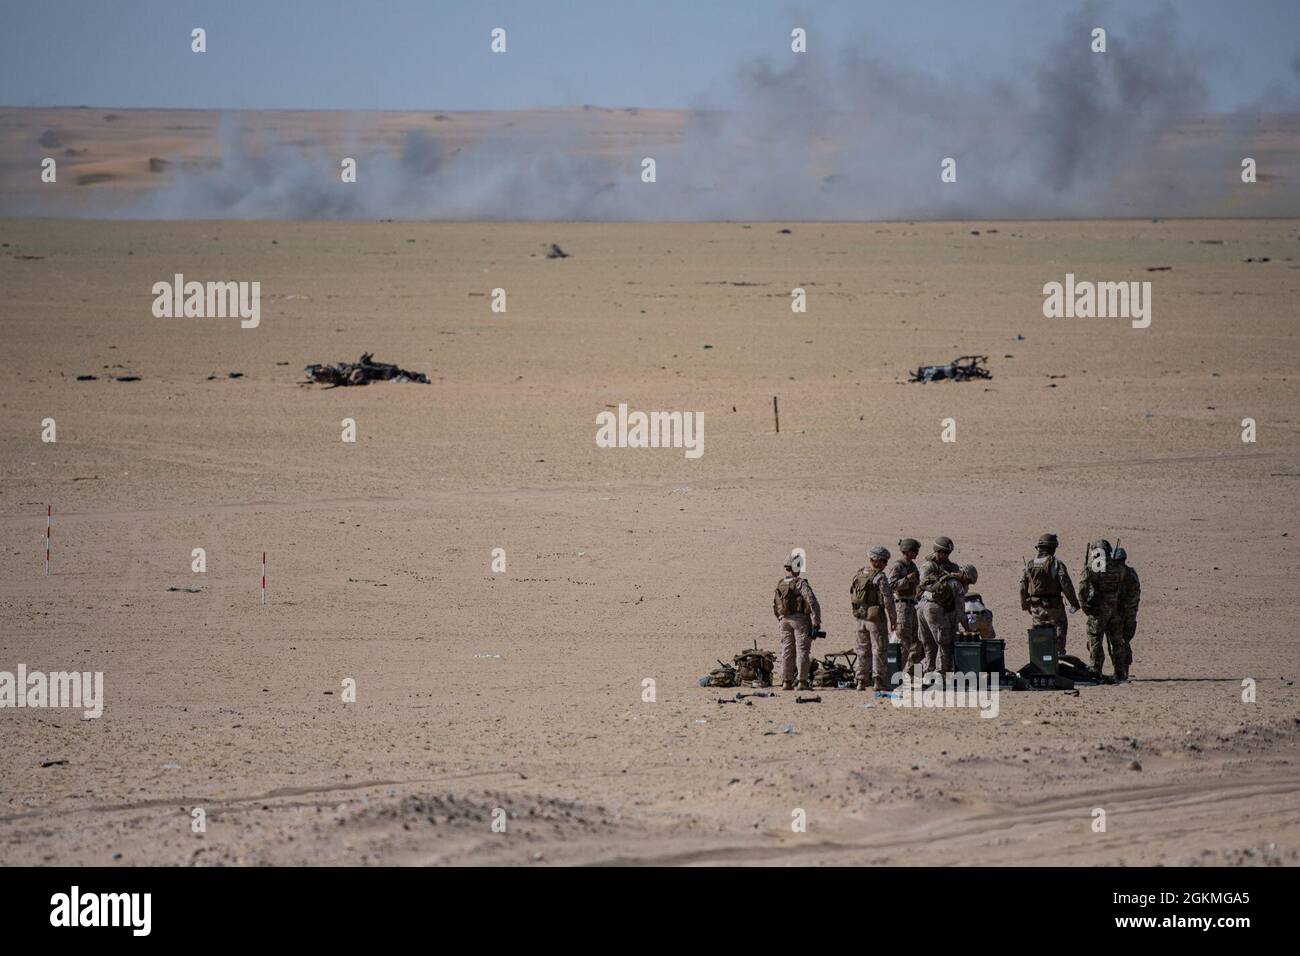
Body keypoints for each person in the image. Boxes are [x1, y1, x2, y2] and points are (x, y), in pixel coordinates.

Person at [1019, 533, 1081, 654]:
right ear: (1052, 548)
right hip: (1054, 607)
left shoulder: (1030, 564)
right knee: (1059, 633)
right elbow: (1066, 585)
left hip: (1036, 608)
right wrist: (1074, 603)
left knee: (1038, 636)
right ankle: (1057, 661)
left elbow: (1022, 588)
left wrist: (1025, 605)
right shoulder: (1056, 563)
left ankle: (1041, 662)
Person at [772, 550, 822, 690]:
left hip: (784, 620)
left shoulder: (780, 583)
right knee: (802, 650)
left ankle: (786, 681)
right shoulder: (799, 583)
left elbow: (775, 605)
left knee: (787, 650)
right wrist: (816, 621)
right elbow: (812, 601)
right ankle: (802, 681)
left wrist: (780, 619)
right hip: (799, 620)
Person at [1079, 539, 1128, 681]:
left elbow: (1083, 587)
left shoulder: (1094, 566)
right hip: (1115, 609)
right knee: (1117, 641)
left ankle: (1096, 669)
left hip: (1098, 609)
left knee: (1095, 639)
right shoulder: (1119, 566)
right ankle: (1120, 671)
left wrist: (1084, 604)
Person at [850, 546, 898, 691]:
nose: (885, 564)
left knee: (862, 650)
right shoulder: (880, 577)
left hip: (860, 617)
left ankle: (861, 681)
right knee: (879, 649)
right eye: (883, 561)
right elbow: (888, 600)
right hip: (875, 618)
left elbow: (852, 594)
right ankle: (879, 681)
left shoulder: (859, 574)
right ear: (876, 561)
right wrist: (893, 619)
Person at [887, 538, 923, 672]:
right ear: (907, 551)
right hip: (901, 605)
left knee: (917, 640)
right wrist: (906, 579)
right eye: (914, 551)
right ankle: (895, 673)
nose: (916, 553)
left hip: (912, 605)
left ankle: (912, 672)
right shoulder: (898, 566)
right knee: (904, 641)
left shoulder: (912, 566)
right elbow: (890, 585)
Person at [1113, 546, 1140, 678]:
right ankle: (1125, 670)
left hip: (1119, 613)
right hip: (1131, 613)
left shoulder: (1116, 574)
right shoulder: (1132, 573)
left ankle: (1119, 671)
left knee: (1118, 642)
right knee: (1125, 641)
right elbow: (1136, 594)